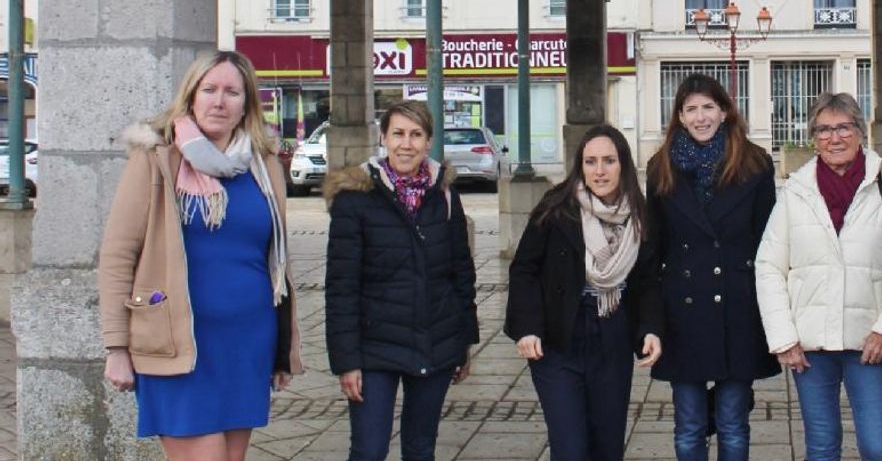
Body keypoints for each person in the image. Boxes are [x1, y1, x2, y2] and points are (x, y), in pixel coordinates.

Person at [99, 50, 303, 461]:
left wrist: (284, 348)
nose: (219, 101)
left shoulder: (264, 165)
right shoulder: (157, 159)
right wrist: (116, 347)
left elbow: (275, 261)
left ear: (247, 103)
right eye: (209, 89)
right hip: (178, 345)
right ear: (191, 96)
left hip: (246, 343)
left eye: (232, 91)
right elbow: (119, 254)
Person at [756, 93, 882, 461]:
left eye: (843, 127)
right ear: (813, 138)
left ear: (860, 132)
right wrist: (784, 338)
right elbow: (769, 267)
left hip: (870, 342)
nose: (834, 137)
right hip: (810, 346)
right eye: (823, 130)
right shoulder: (794, 194)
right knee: (822, 448)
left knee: (878, 447)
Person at [324, 101, 479, 461]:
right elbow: (341, 287)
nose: (406, 144)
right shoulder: (354, 201)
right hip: (373, 348)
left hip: (435, 343)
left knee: (421, 448)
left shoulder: (445, 197)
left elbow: (461, 274)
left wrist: (464, 344)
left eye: (415, 135)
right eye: (398, 134)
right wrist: (346, 360)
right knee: (369, 449)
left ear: (428, 142)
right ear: (383, 139)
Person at [506, 124, 664, 461]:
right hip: (560, 338)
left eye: (609, 160)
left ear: (623, 163)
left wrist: (650, 327)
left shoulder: (639, 215)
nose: (600, 170)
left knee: (607, 447)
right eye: (590, 161)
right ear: (580, 166)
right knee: (570, 448)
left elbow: (648, 280)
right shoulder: (556, 207)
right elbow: (524, 269)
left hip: (613, 334)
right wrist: (527, 327)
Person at [647, 73, 779, 461]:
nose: (700, 117)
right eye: (691, 109)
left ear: (724, 112)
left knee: (734, 424)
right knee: (688, 426)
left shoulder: (755, 164)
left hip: (737, 309)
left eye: (708, 107)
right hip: (682, 313)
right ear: (680, 117)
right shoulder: (661, 167)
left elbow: (767, 245)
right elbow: (652, 248)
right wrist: (648, 321)